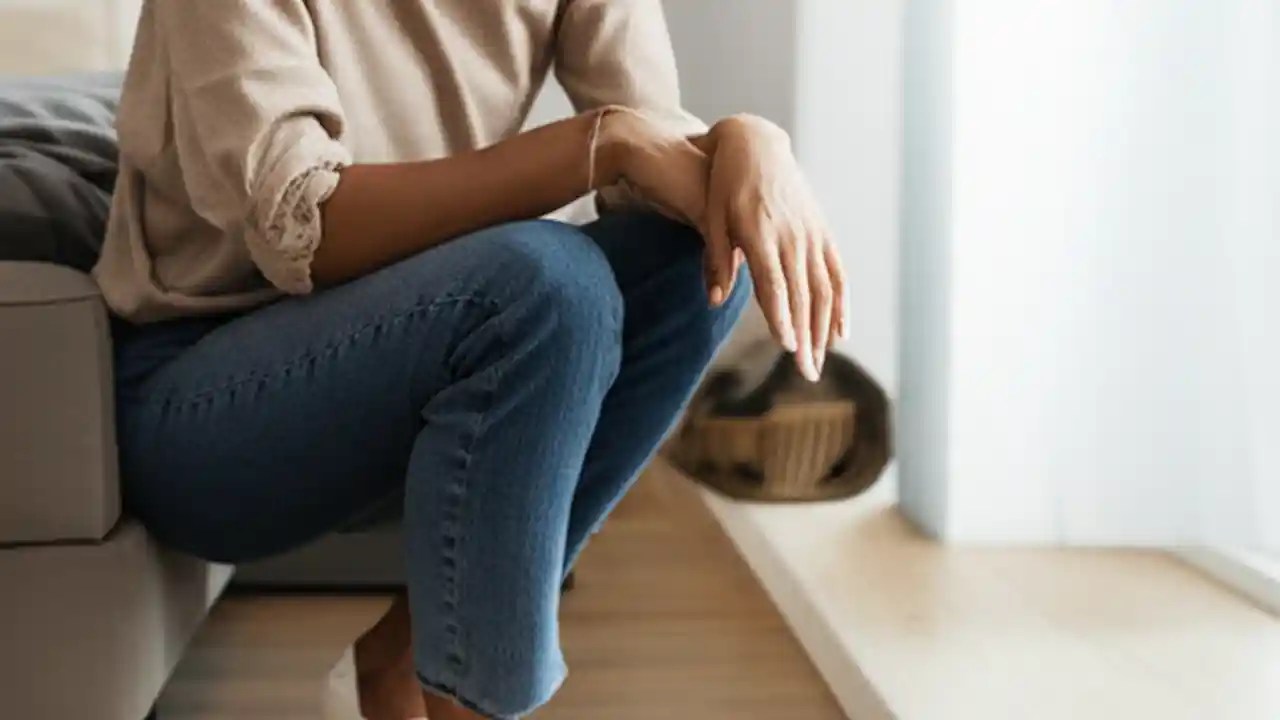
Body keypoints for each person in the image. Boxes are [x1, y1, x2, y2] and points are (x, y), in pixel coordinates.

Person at [94, 2, 846, 718]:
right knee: (545, 285)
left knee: (696, 264)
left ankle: (401, 665)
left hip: (408, 358)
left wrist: (751, 141)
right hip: (200, 409)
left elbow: (656, 169)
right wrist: (600, 142)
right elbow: (305, 225)